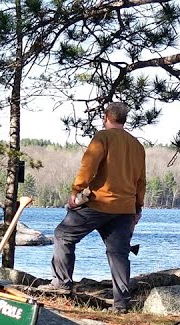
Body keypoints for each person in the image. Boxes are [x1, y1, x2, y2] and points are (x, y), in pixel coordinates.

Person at [44, 101, 146, 313]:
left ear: (106, 117)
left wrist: (75, 191)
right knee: (118, 254)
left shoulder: (102, 137)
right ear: (124, 119)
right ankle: (121, 304)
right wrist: (137, 208)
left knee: (63, 235)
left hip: (98, 203)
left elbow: (88, 166)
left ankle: (62, 285)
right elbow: (141, 181)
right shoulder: (137, 145)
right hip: (125, 208)